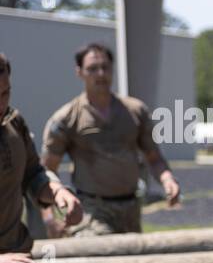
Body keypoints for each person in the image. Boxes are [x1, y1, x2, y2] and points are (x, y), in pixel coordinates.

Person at [41, 43, 181, 236]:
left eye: (105, 67)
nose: (100, 74)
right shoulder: (66, 118)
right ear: (79, 72)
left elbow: (154, 158)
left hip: (131, 209)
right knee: (99, 254)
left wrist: (168, 180)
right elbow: (46, 172)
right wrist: (49, 217)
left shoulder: (135, 111)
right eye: (92, 69)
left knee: (132, 262)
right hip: (92, 211)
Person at [0, 52, 83, 263]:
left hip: (18, 258)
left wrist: (57, 192)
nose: (1, 104)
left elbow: (32, 174)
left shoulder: (14, 123)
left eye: (5, 93)